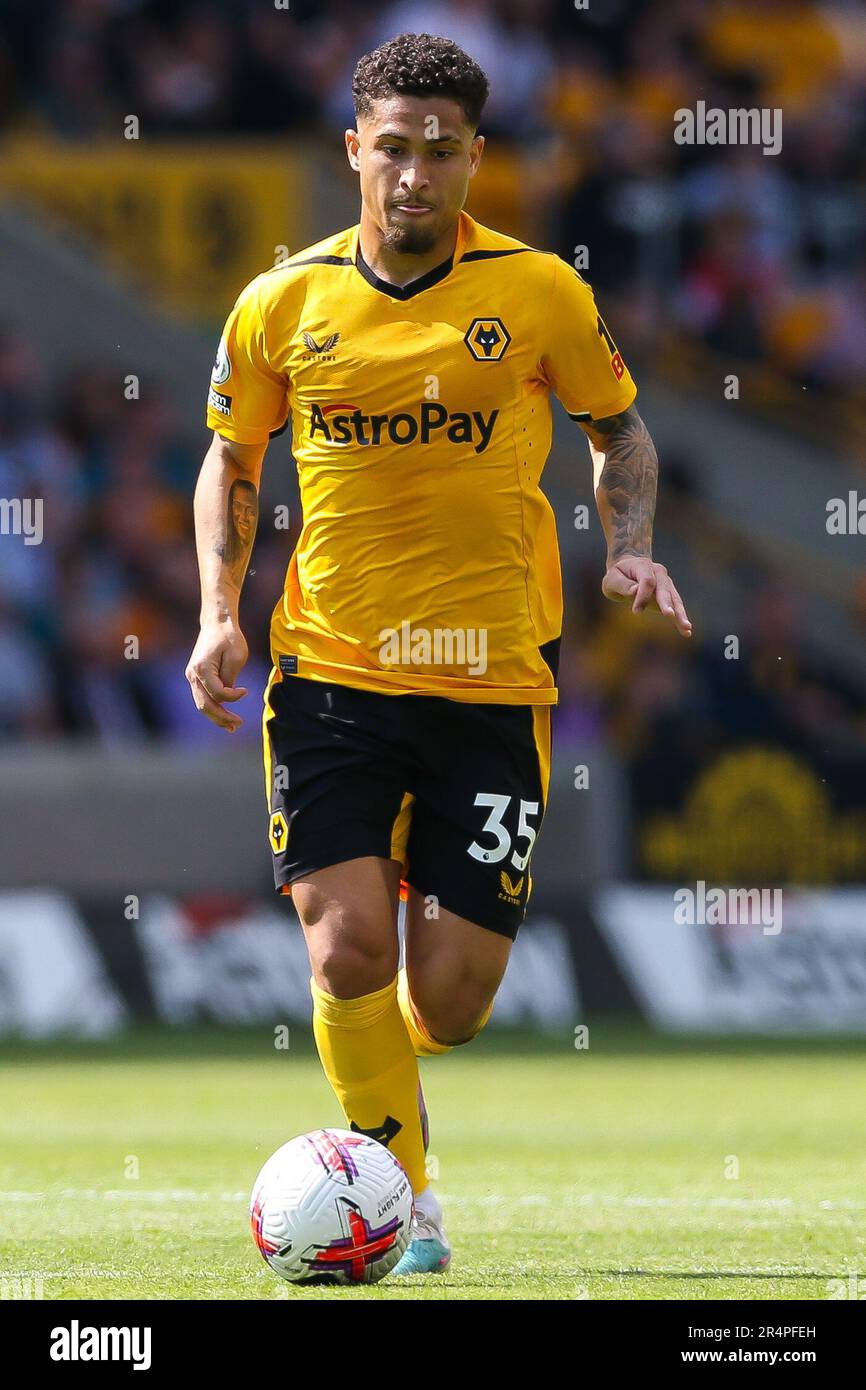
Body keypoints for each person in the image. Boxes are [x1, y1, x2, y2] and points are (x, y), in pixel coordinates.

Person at [186, 31, 691, 1278]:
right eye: (393, 149)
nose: (414, 175)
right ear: (354, 149)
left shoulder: (538, 294)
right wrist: (215, 610)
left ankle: (394, 1081)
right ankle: (397, 1195)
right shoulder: (281, 303)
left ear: (476, 158)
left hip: (491, 680)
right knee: (343, 944)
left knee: (448, 1001)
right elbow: (231, 459)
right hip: (329, 673)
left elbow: (618, 434)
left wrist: (628, 544)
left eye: (442, 152)